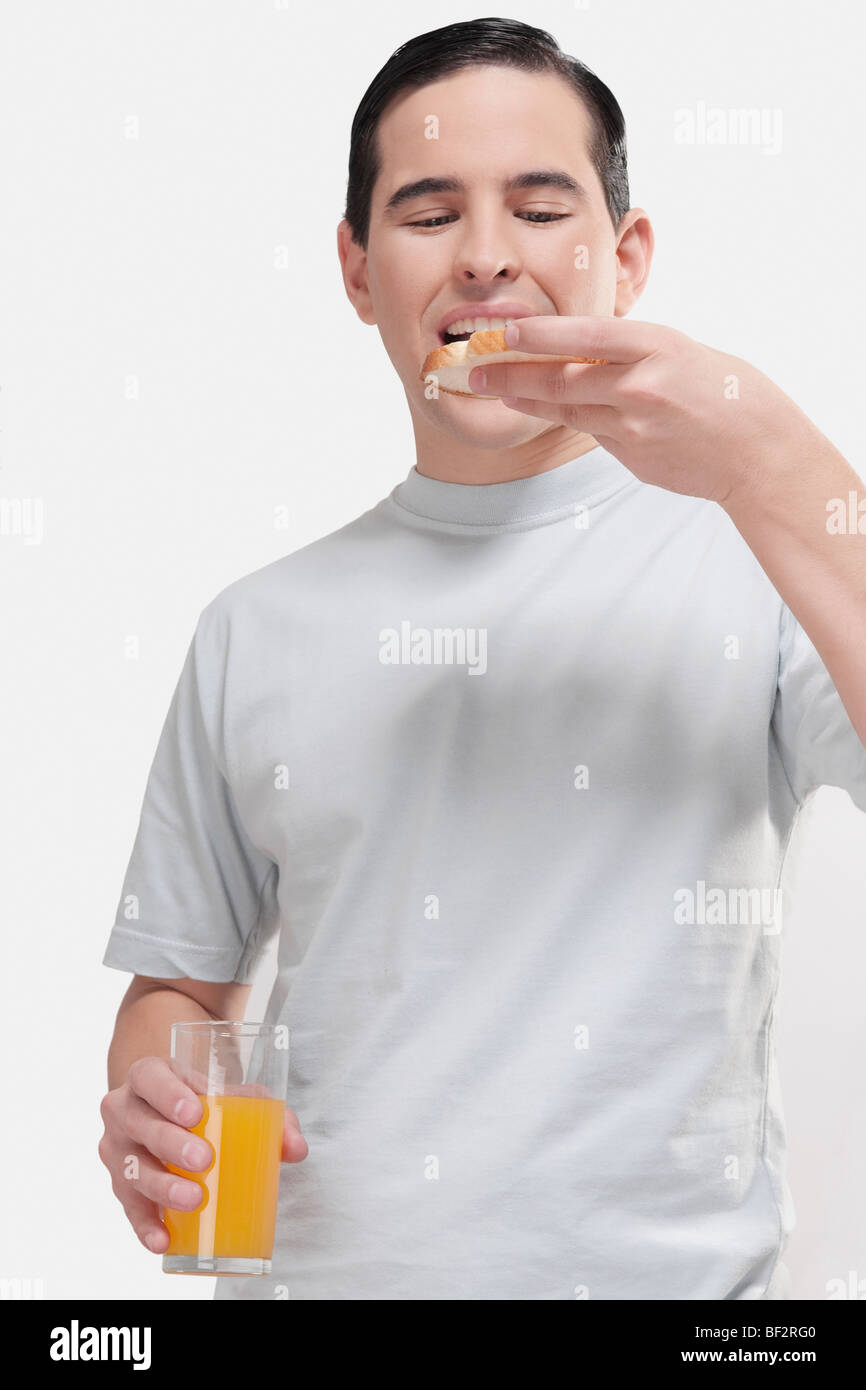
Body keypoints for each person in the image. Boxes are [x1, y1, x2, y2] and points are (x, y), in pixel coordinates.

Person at [98, 17, 866, 1300]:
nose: (487, 258)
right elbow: (181, 982)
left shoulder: (758, 556)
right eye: (428, 211)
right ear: (356, 270)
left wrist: (763, 450)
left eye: (538, 204)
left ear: (623, 258)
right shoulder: (253, 625)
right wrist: (156, 1097)